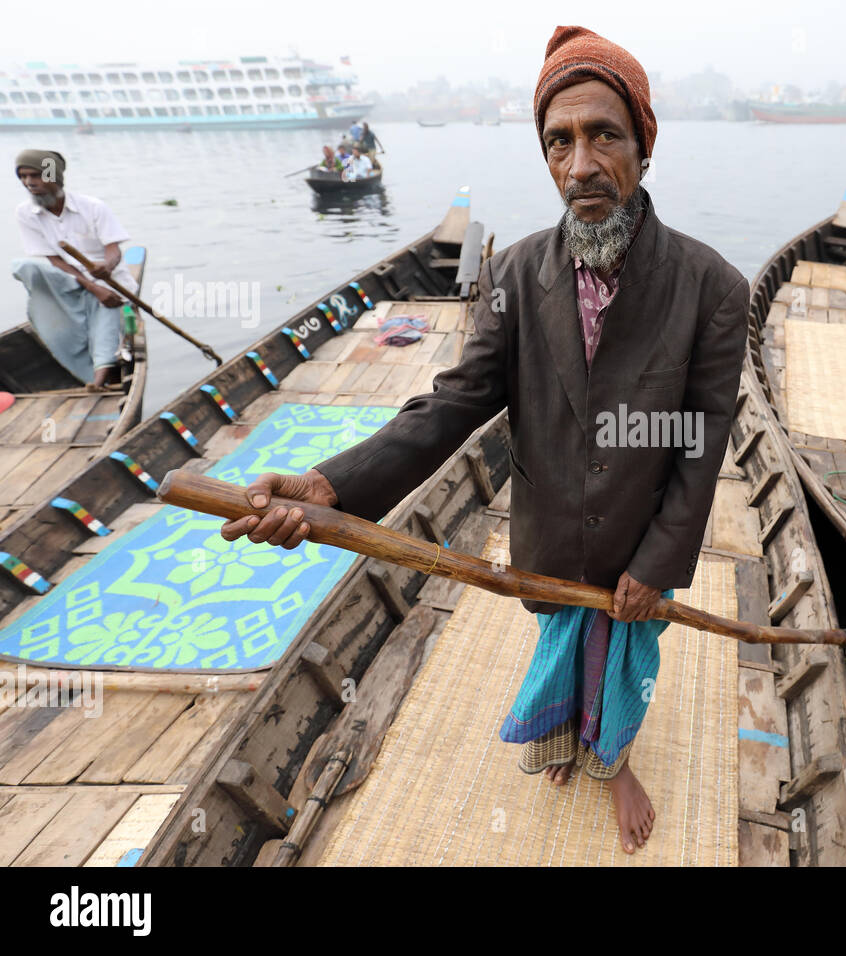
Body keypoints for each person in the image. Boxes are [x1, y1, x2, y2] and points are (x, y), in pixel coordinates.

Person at [219, 25, 748, 856]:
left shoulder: (712, 288)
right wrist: (331, 485)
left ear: (644, 145)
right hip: (548, 536)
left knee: (627, 660)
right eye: (559, 142)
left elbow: (702, 441)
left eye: (603, 135)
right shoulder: (512, 278)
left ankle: (619, 760)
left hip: (644, 539)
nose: (581, 167)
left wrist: (659, 560)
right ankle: (575, 744)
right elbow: (454, 404)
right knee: (565, 644)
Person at [11, 149, 137, 391]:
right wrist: (91, 286)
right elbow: (55, 261)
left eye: (36, 175)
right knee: (25, 266)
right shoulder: (25, 213)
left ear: (54, 177)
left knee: (108, 310)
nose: (29, 183)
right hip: (69, 281)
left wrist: (106, 268)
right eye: (23, 177)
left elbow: (114, 250)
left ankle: (99, 378)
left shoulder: (92, 207)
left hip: (109, 281)